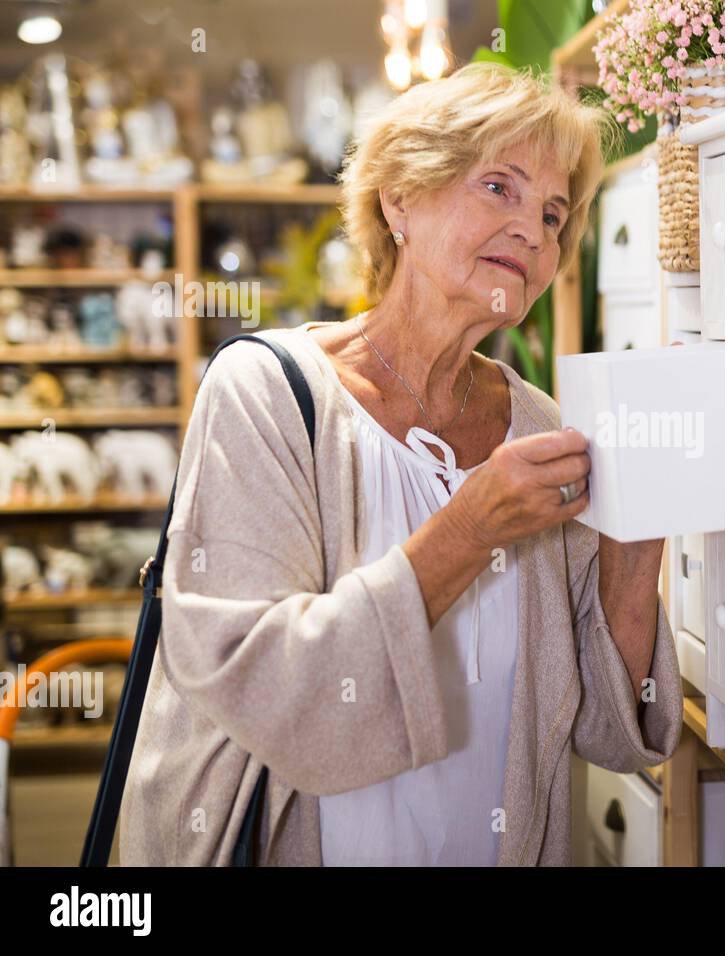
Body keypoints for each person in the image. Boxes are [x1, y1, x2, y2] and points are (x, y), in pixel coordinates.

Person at [121, 62, 682, 865]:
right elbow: (266, 690)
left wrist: (640, 534)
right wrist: (465, 529)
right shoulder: (267, 395)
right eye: (500, 187)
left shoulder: (538, 425)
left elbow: (604, 732)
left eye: (555, 214)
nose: (533, 229)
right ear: (401, 200)